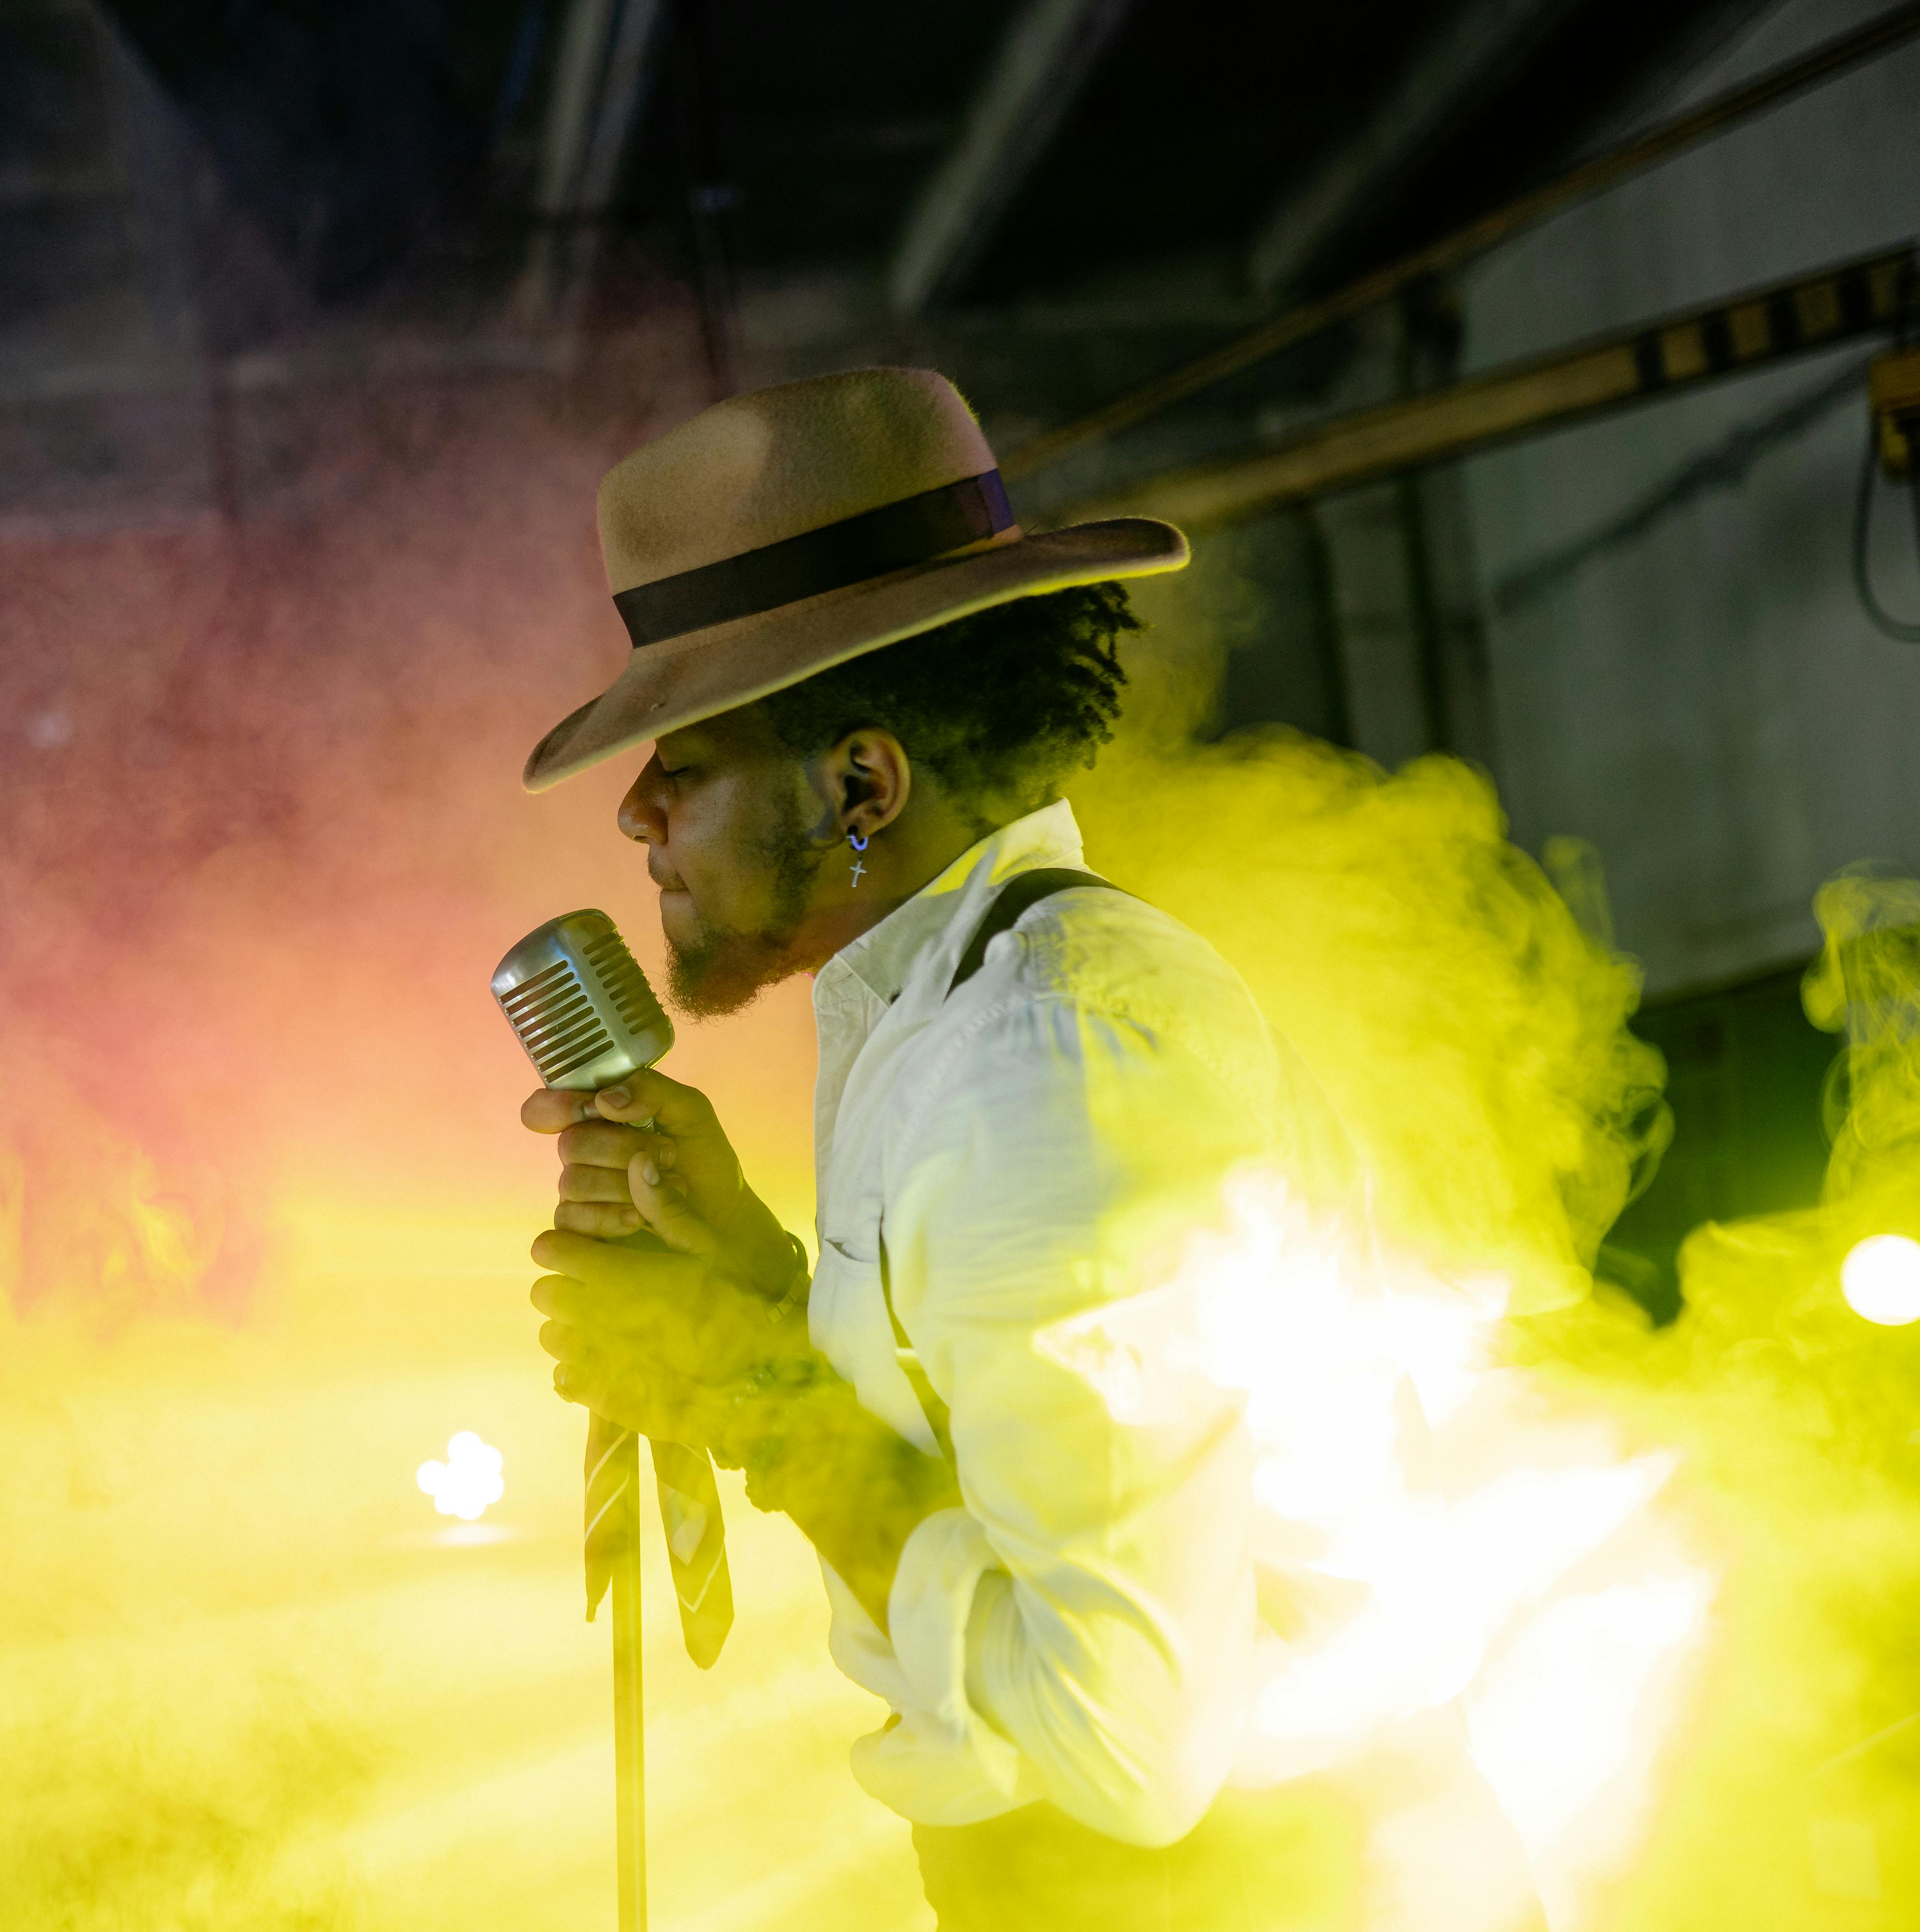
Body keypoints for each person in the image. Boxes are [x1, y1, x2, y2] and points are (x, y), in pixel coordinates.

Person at [516, 368, 1542, 1929]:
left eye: (688, 764)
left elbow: (1122, 1746)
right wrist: (759, 1283)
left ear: (862, 783)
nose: (636, 815)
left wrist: (742, 1381)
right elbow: (973, 1447)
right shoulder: (953, 1007)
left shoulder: (1042, 1059)